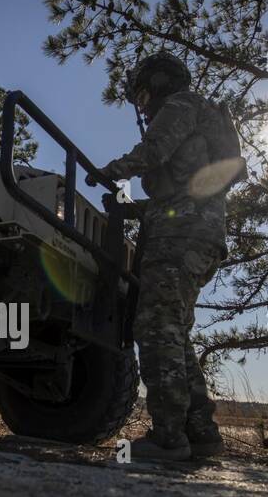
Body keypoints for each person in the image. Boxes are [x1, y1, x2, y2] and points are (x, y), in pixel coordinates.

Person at [95, 51, 243, 460]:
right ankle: (201, 432)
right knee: (174, 331)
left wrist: (112, 170)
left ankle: (168, 436)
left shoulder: (180, 106)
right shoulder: (202, 116)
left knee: (155, 327)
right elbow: (180, 187)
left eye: (142, 93)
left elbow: (155, 150)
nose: (141, 104)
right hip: (198, 234)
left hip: (179, 236)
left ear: (158, 83)